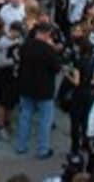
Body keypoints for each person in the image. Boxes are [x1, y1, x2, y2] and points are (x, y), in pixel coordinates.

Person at [15, 22, 62, 159]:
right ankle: (43, 149)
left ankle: (21, 145)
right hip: (44, 88)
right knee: (45, 119)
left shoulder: (25, 46)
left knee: (25, 116)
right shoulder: (48, 50)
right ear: (47, 33)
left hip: (26, 86)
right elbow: (57, 68)